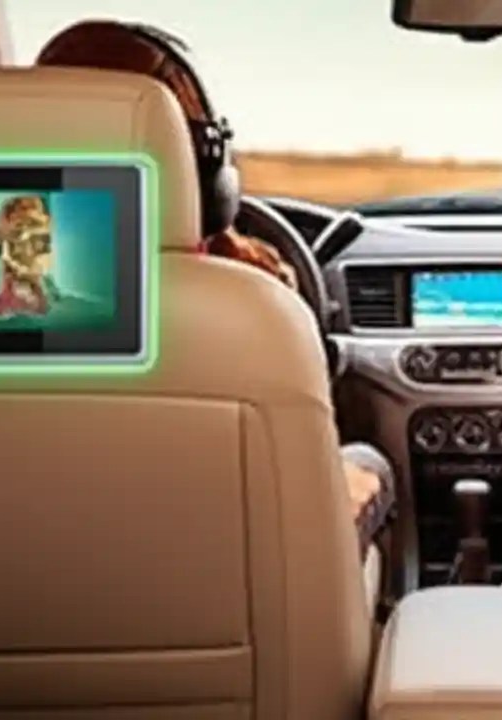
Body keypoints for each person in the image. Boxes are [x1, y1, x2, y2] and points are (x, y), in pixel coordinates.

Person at [37, 21, 393, 558]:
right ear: (207, 168)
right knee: (367, 462)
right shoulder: (254, 303)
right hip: (238, 616)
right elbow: (301, 468)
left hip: (7, 605)